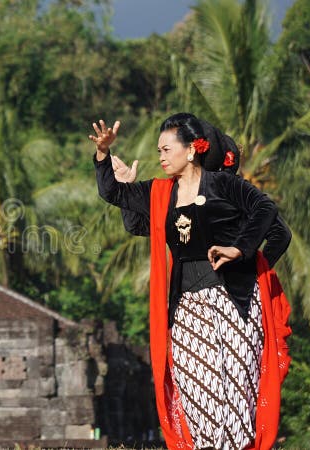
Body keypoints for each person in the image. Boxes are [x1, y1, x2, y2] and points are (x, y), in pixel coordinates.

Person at [90, 114, 291, 450]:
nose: (161, 156)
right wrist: (103, 156)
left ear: (191, 150)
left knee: (235, 394)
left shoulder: (223, 185)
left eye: (166, 149)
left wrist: (243, 254)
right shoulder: (159, 192)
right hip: (187, 307)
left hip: (233, 304)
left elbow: (267, 212)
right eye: (158, 151)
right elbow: (113, 193)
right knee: (196, 391)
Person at [112, 119, 292, 268]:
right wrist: (126, 186)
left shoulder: (230, 191)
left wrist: (251, 270)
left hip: (231, 296)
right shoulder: (178, 197)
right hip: (188, 298)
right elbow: (136, 225)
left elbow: (280, 234)